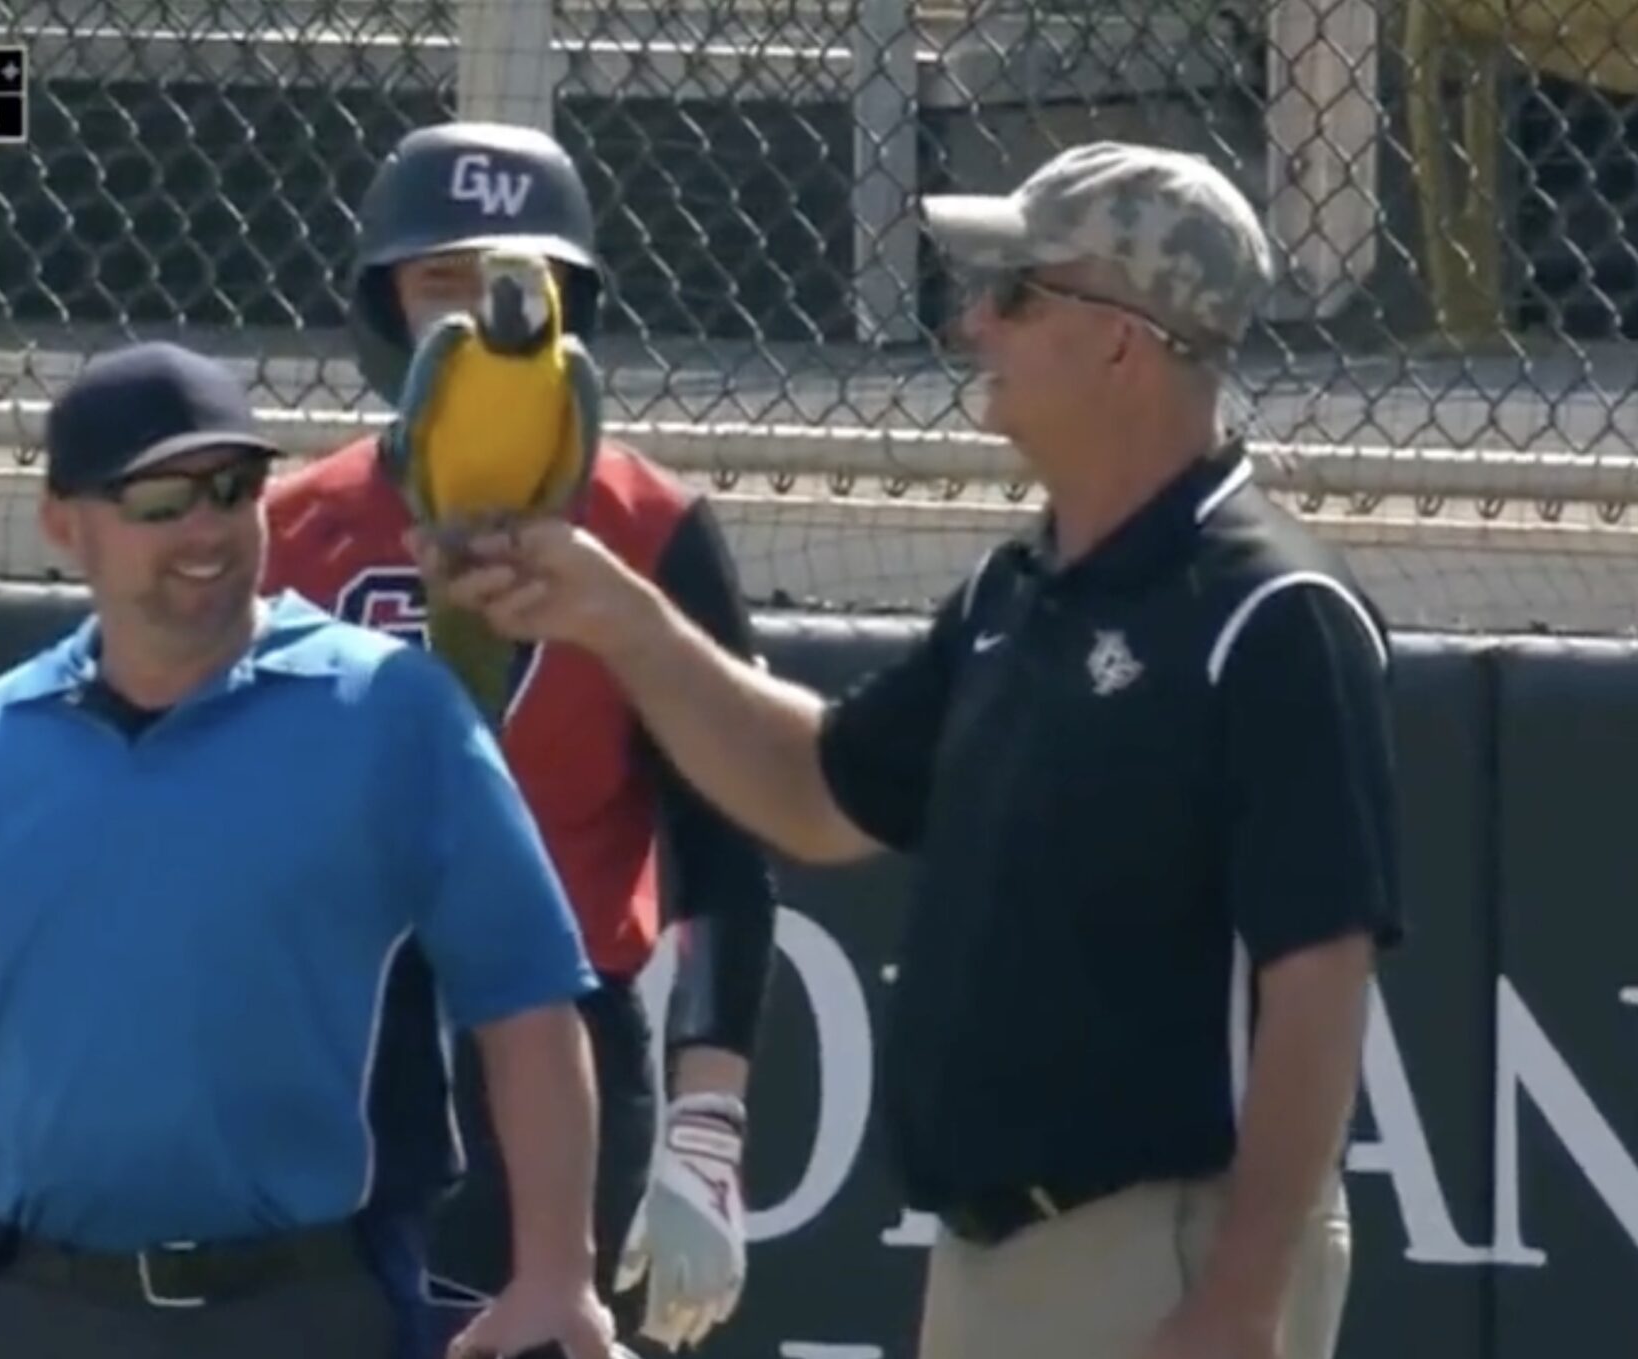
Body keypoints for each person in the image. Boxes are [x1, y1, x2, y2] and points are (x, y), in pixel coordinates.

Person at [413, 141, 1404, 1359]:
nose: (974, 323)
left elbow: (1319, 982)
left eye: (1018, 292)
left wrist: (1240, 1302)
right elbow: (820, 793)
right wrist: (612, 615)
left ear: (1118, 342)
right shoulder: (1022, 586)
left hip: (1168, 1264)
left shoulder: (1270, 613)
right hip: (996, 1259)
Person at [0, 340, 623, 1359]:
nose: (207, 530)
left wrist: (557, 1275)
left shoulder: (393, 712)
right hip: (37, 1311)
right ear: (63, 522)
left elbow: (525, 997)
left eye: (231, 489)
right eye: (160, 501)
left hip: (306, 1312)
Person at [262, 120, 779, 1353]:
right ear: (381, 304)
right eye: (435, 278)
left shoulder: (645, 526)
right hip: (320, 1037)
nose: (464, 310)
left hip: (556, 1053)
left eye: (499, 276)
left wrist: (708, 1127)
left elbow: (726, 840)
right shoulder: (293, 527)